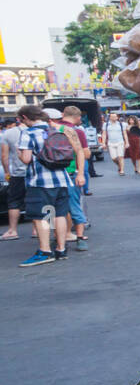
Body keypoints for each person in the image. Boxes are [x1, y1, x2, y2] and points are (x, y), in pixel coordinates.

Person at [16, 103, 84, 266]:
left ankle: (45, 251)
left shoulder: (28, 133)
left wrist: (19, 153)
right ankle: (61, 249)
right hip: (62, 179)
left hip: (40, 181)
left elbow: (26, 159)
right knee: (60, 214)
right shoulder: (55, 130)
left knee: (41, 217)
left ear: (25, 117)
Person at [56, 106, 90, 251]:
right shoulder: (77, 131)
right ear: (77, 117)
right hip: (71, 172)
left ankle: (62, 237)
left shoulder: (50, 130)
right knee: (75, 205)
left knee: (57, 208)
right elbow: (85, 153)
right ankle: (80, 236)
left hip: (53, 174)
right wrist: (81, 172)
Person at [2, 119, 34, 241]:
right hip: (35, 173)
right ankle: (37, 230)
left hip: (17, 173)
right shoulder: (37, 131)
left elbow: (4, 156)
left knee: (14, 201)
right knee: (35, 200)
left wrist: (6, 172)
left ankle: (12, 230)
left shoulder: (8, 134)